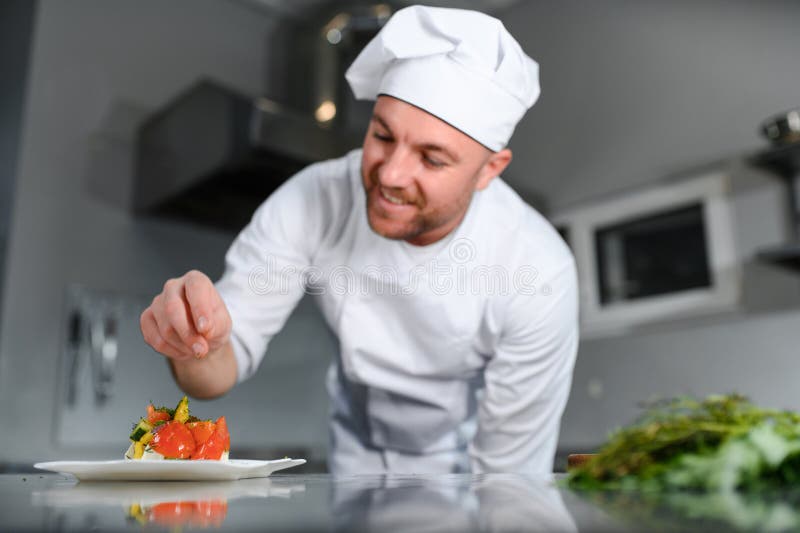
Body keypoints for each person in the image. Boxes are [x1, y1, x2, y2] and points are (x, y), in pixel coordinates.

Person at [139, 5, 578, 475]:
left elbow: (509, 477)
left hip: (468, 470)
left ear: (489, 170)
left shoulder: (537, 270)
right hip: (356, 462)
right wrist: (191, 342)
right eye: (383, 136)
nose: (390, 174)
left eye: (432, 159)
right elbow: (219, 368)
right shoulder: (314, 198)